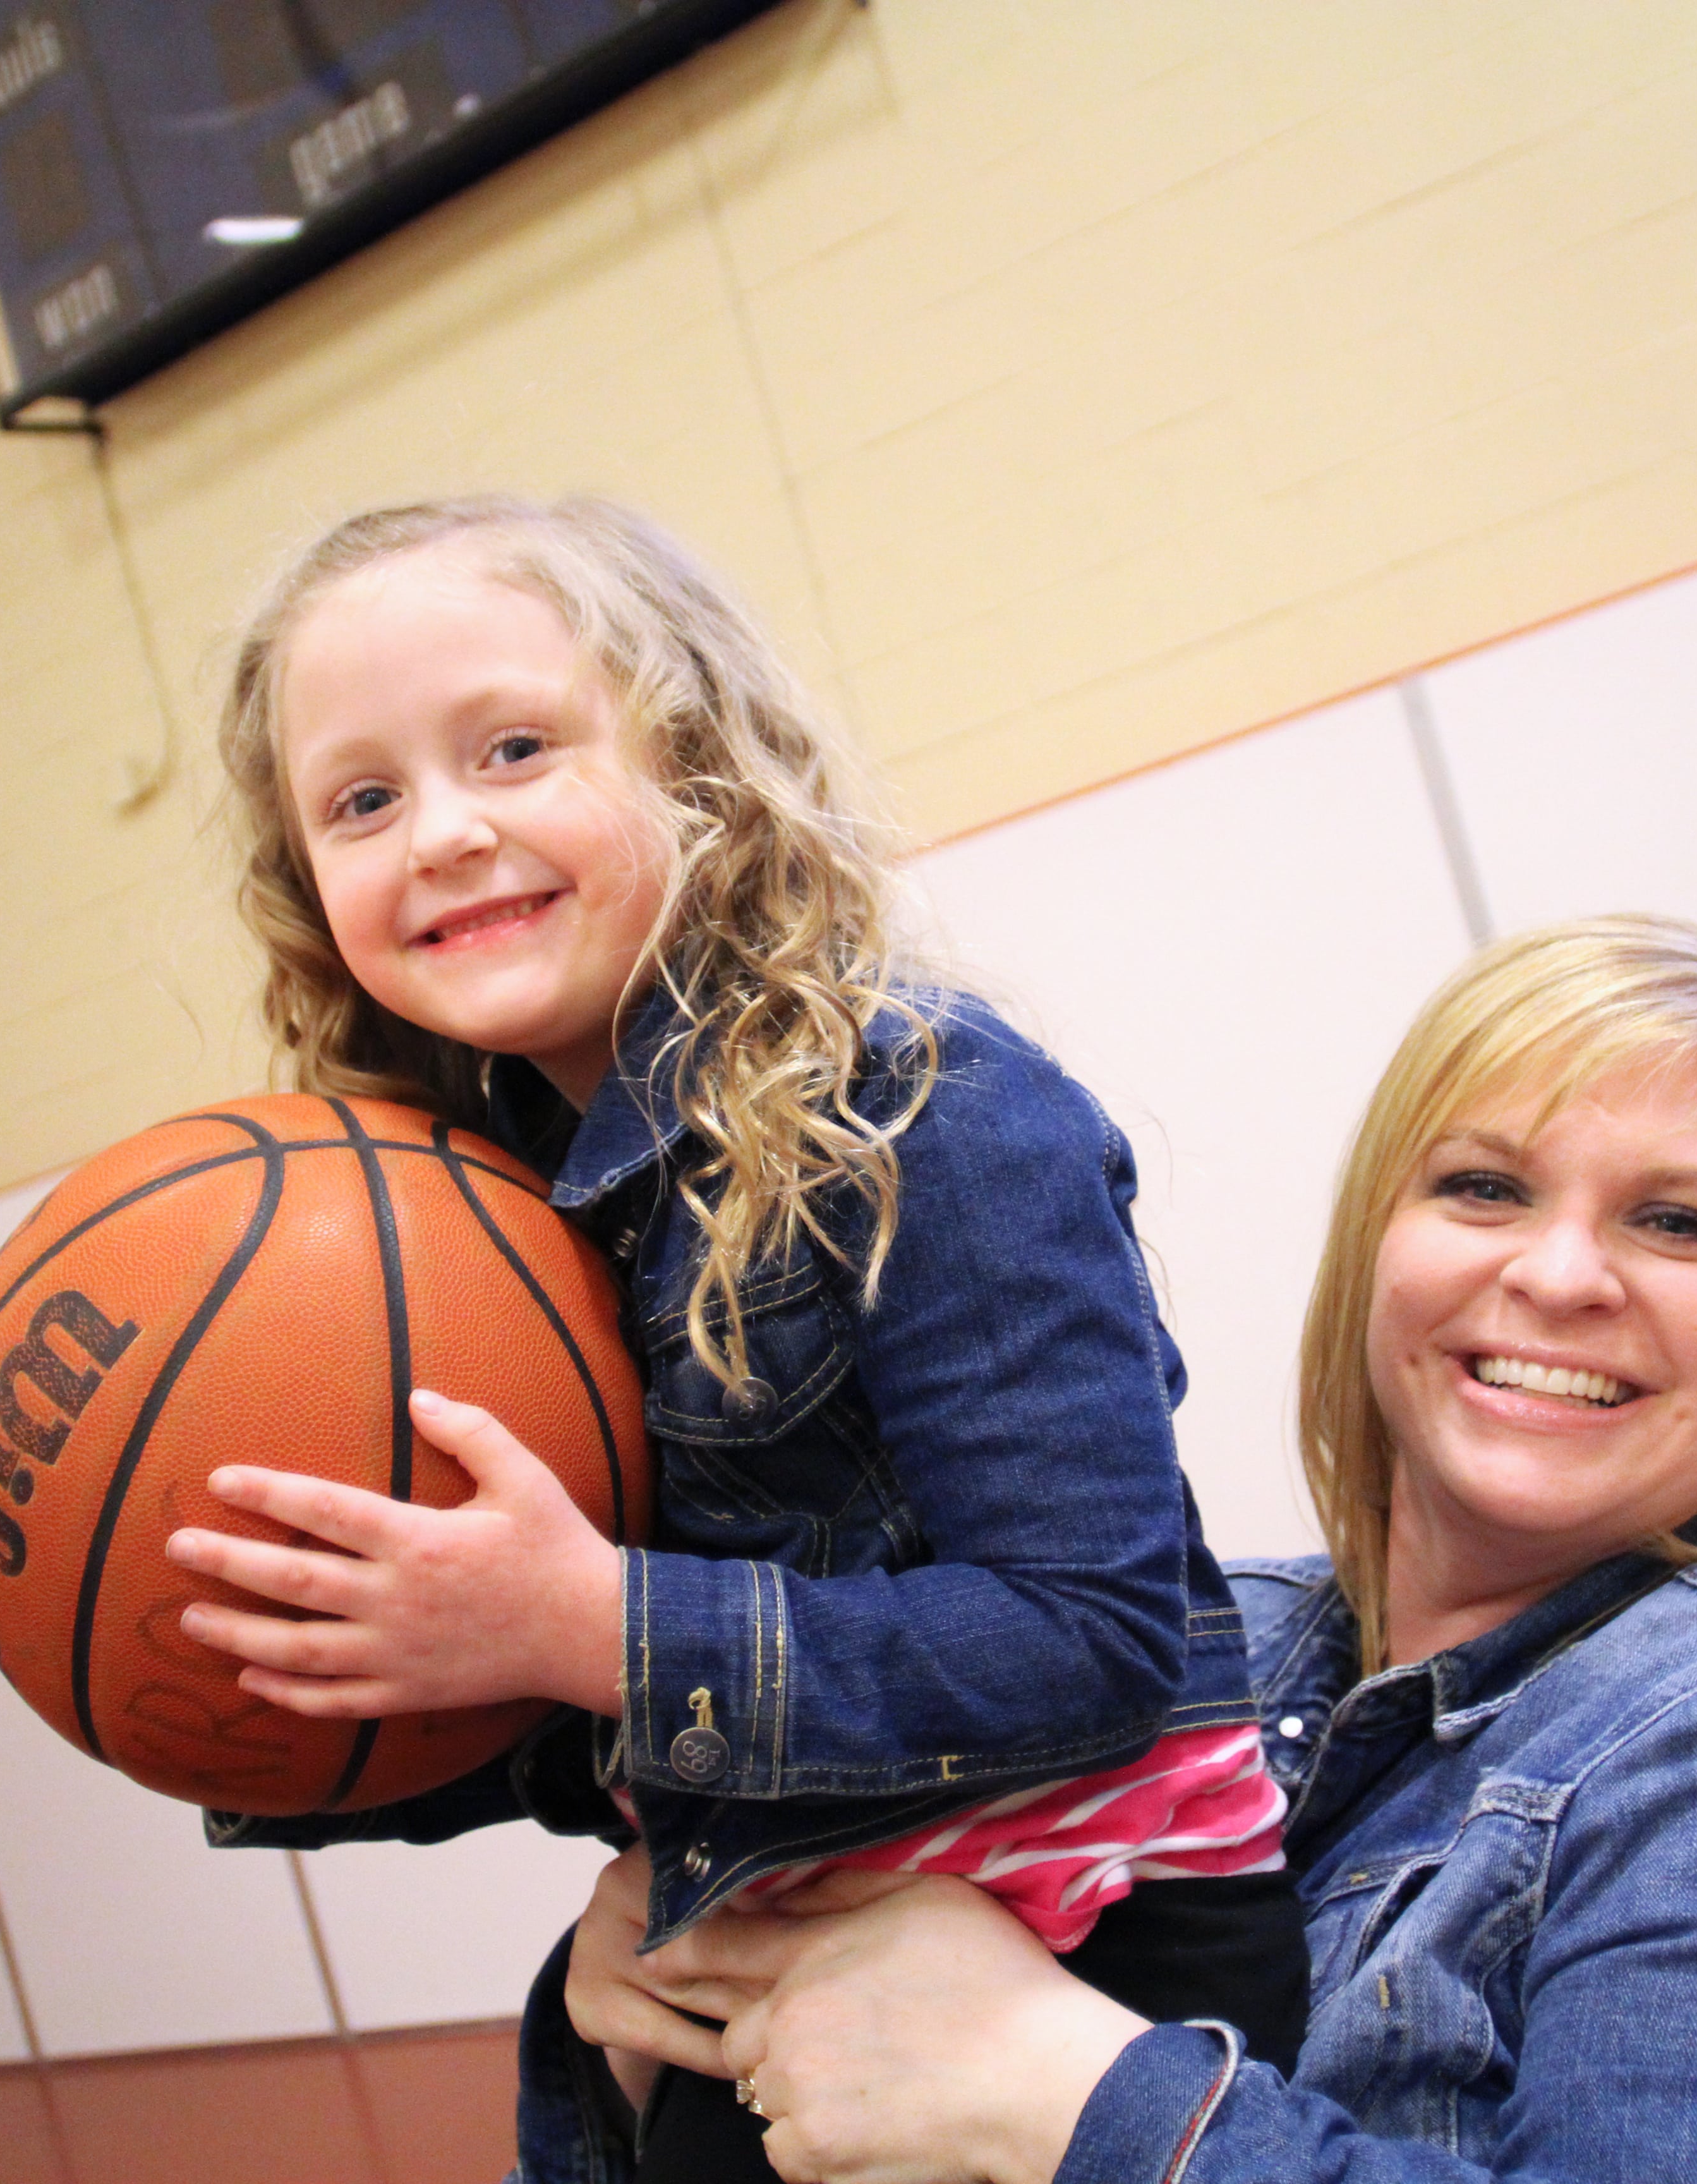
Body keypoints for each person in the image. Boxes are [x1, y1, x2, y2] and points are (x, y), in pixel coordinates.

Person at [571, 916, 1697, 2184]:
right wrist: (657, 2047)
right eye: (1484, 1188)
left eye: (1680, 1225)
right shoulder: (1180, 1652)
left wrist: (1070, 2094)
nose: (1560, 1273)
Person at [169, 496, 1308, 2181]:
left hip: (1089, 1966)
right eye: (362, 798)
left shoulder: (926, 1109)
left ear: (696, 760)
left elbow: (1085, 1637)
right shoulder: (481, 1218)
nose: (443, 832)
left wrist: (594, 1626)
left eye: (513, 747)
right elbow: (585, 1711)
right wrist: (299, 1675)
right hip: (770, 1963)